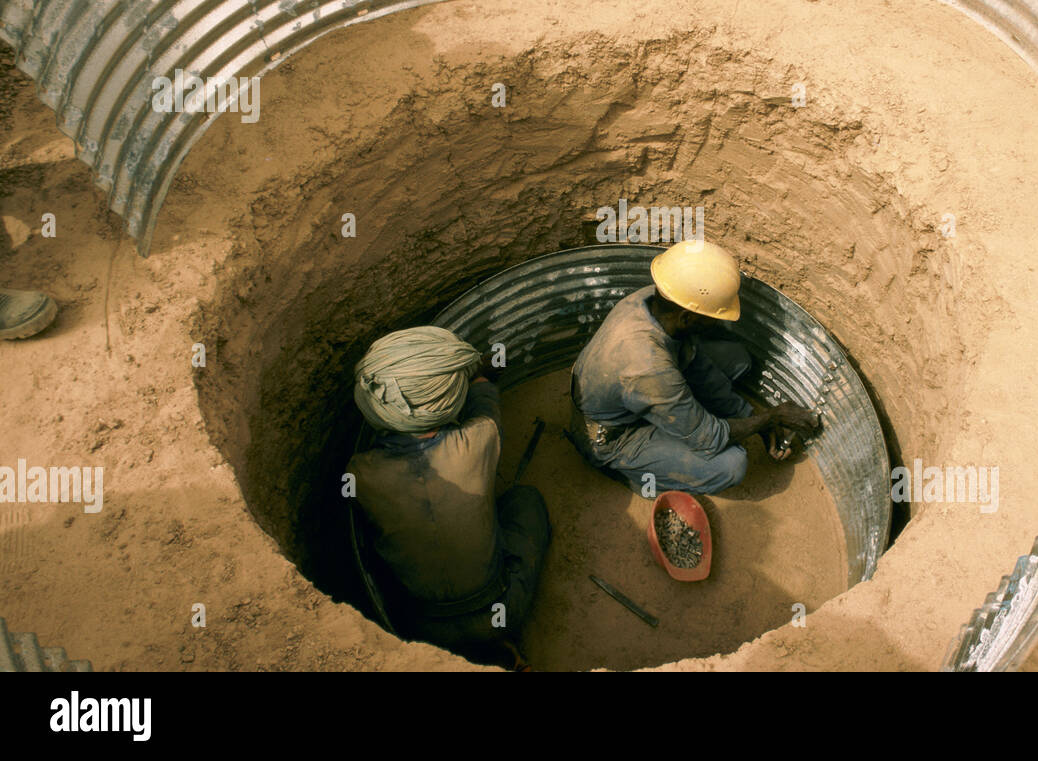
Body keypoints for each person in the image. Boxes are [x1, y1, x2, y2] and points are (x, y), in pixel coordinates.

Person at [347, 326, 549, 669]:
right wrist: (479, 373)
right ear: (446, 404)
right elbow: (484, 394)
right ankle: (498, 643)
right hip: (500, 612)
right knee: (525, 501)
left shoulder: (359, 474)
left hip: (419, 631)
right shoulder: (481, 437)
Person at [568, 240, 820, 495]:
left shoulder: (655, 300)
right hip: (612, 437)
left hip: (638, 389)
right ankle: (628, 471)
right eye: (713, 319)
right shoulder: (647, 367)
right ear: (687, 317)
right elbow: (709, 437)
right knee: (731, 465)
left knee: (737, 360)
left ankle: (671, 417)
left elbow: (697, 366)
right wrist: (768, 418)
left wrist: (749, 415)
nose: (718, 323)